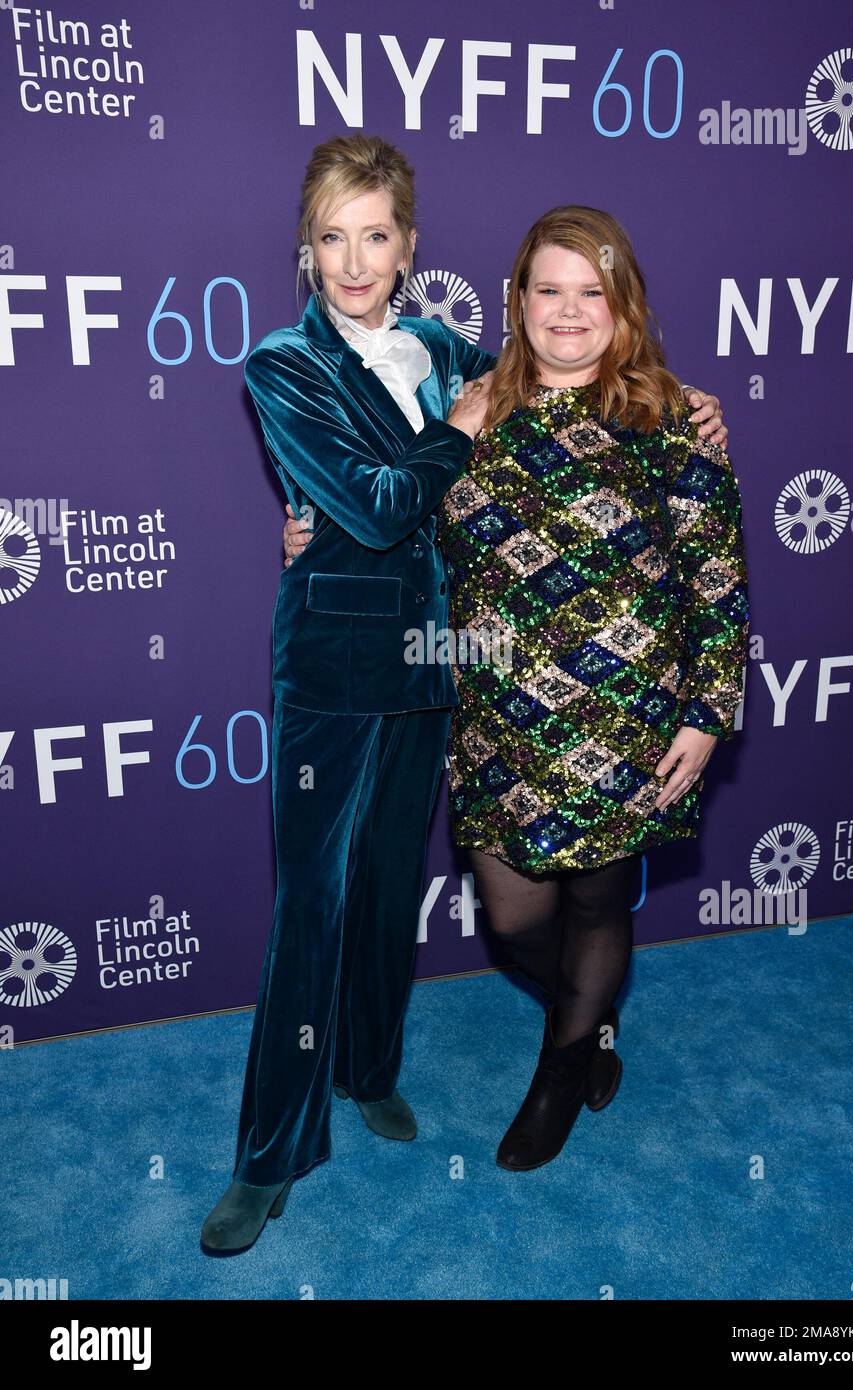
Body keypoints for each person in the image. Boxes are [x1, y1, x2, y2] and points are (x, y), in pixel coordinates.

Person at [284, 203, 748, 1175]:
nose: (568, 313)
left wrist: (708, 715)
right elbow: (395, 528)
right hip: (499, 723)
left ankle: (562, 1065)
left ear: (621, 306)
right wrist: (316, 539)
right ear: (516, 300)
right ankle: (592, 1016)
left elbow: (716, 579)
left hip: (630, 721)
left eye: (591, 293)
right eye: (548, 290)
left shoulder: (672, 419)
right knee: (514, 917)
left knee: (598, 904)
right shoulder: (469, 409)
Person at [200, 134, 494, 1254]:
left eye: (376, 234)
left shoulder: (439, 343)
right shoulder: (282, 363)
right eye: (334, 236)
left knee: (385, 885)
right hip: (331, 664)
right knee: (308, 909)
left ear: (409, 246)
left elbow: (555, 385)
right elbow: (372, 508)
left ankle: (369, 1067)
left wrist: (684, 404)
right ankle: (268, 1155)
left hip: (431, 656)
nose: (355, 260)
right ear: (307, 250)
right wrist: (457, 433)